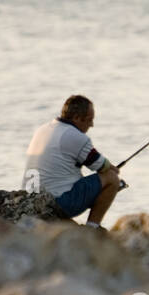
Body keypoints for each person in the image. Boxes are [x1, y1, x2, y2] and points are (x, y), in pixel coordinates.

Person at [22, 95, 120, 228]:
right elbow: (101, 166)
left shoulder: (42, 130)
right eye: (89, 120)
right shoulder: (75, 136)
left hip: (30, 201)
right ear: (76, 118)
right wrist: (113, 169)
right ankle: (92, 228)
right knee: (112, 179)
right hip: (57, 203)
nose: (92, 125)